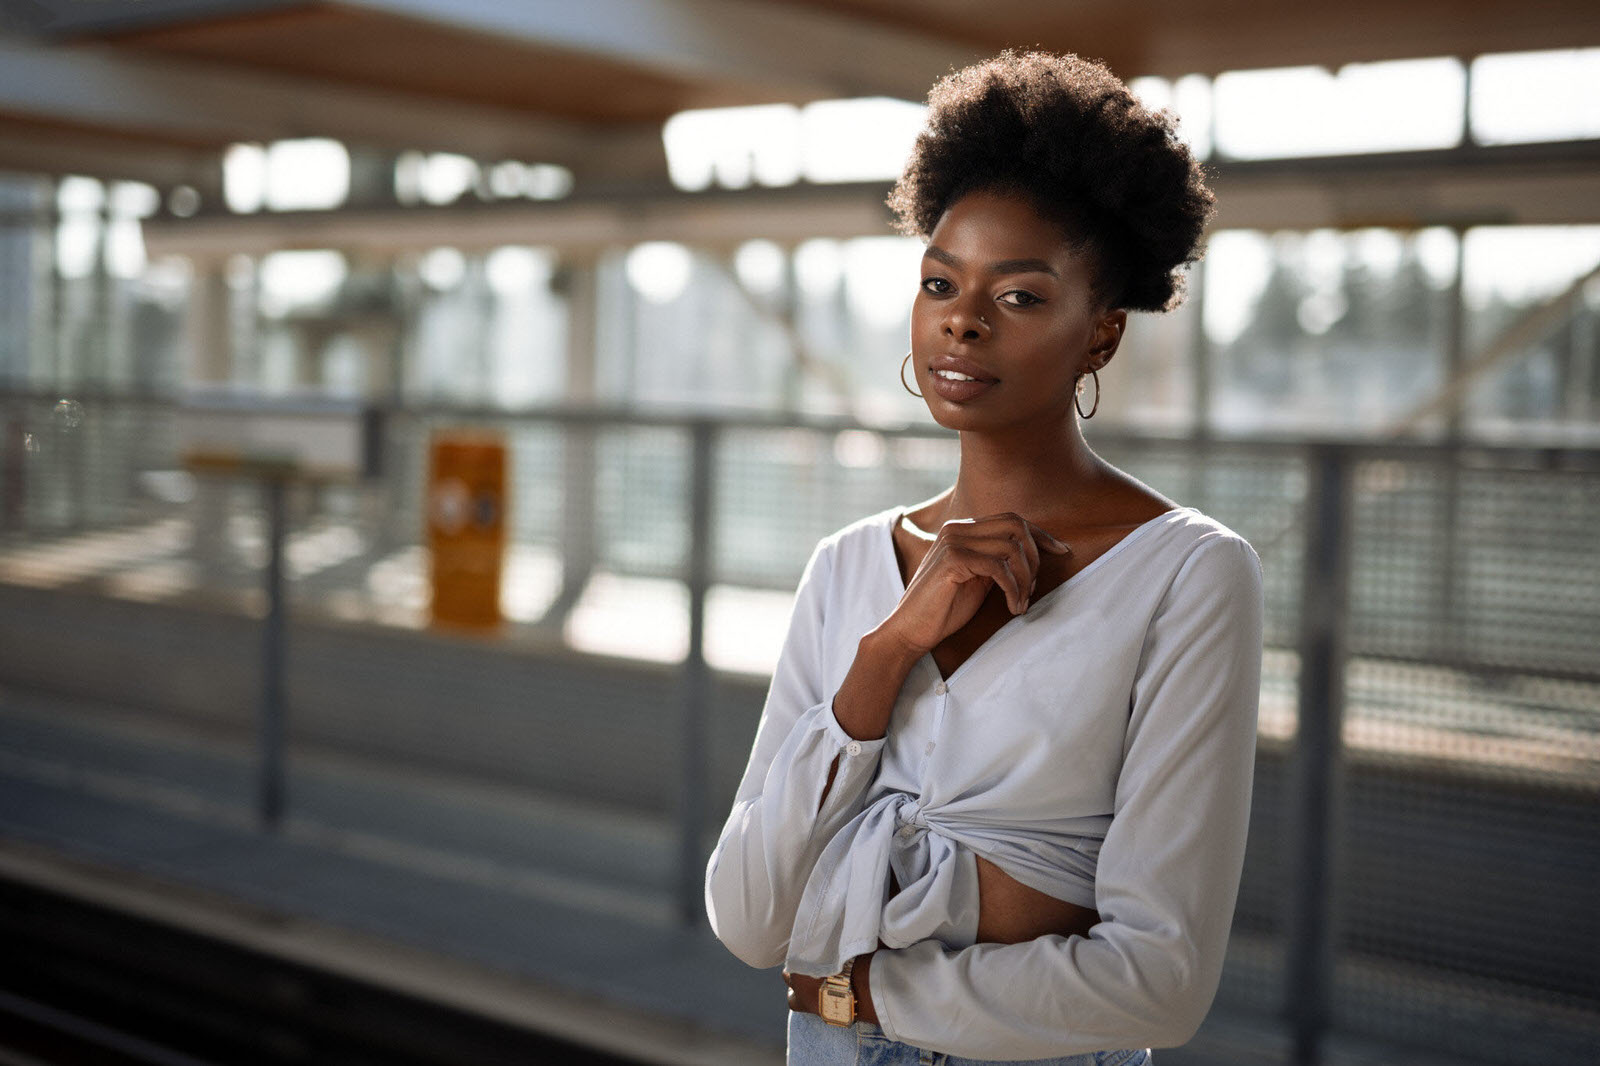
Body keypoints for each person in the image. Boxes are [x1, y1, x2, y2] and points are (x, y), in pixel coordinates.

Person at [704, 50, 1263, 1065]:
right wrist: (886, 654)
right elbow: (747, 918)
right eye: (940, 283)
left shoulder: (1186, 575)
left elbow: (1161, 981)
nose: (961, 318)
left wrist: (872, 988)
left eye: (1020, 297)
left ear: (1100, 336)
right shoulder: (848, 567)